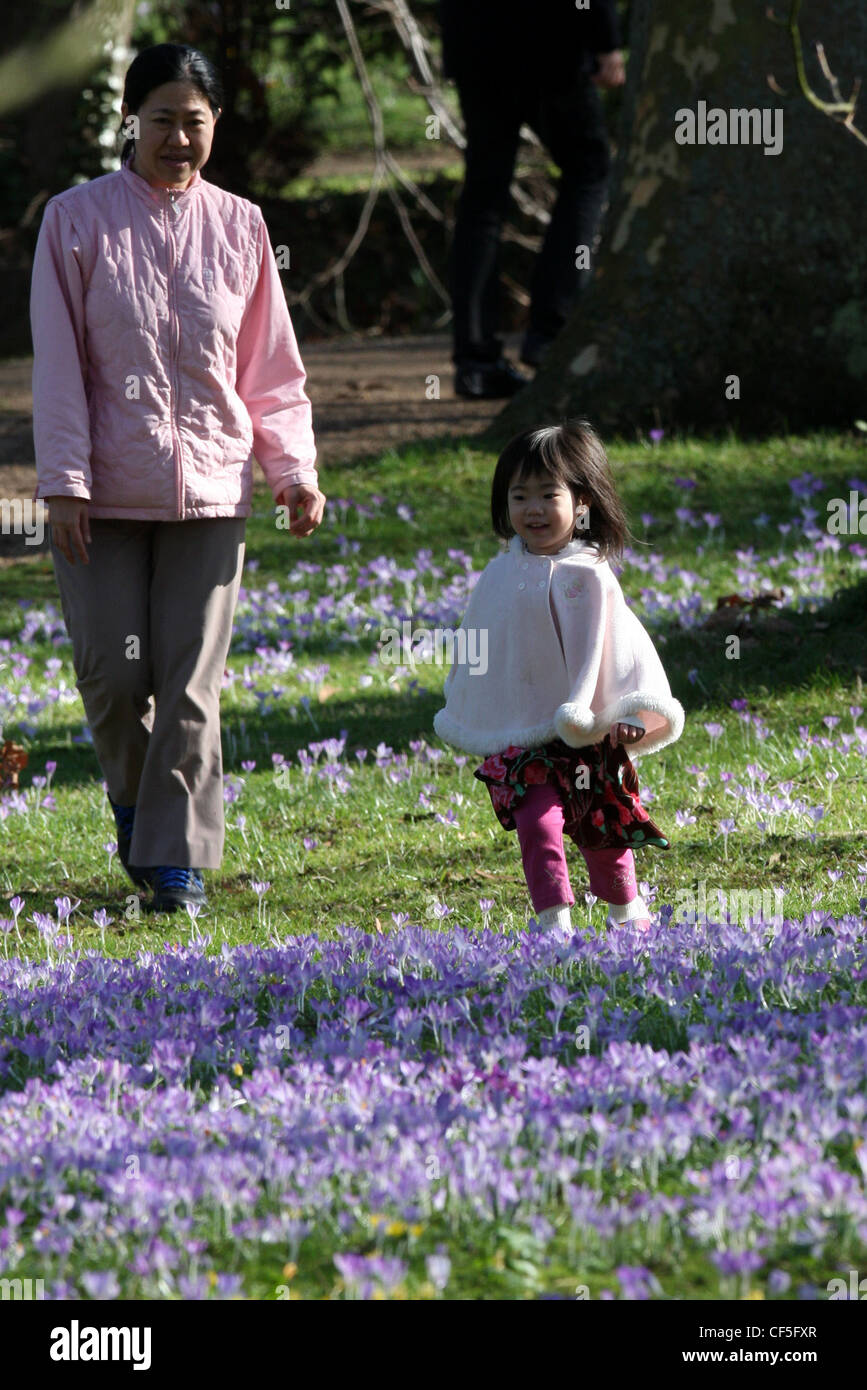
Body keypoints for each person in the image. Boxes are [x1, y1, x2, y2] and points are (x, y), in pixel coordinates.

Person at [30, 43, 325, 914]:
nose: (178, 139)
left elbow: (271, 368)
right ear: (131, 121)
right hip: (101, 496)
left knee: (191, 687)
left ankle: (176, 862)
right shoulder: (74, 221)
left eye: (194, 122)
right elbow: (60, 367)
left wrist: (292, 469)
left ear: (215, 127)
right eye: (161, 119)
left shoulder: (241, 226)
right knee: (116, 680)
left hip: (211, 492)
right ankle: (137, 811)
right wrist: (65, 483)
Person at [433, 420, 684, 933]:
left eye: (549, 494)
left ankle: (624, 911)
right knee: (537, 823)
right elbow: (482, 645)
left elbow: (621, 650)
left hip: (588, 733)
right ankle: (552, 920)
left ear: (583, 503)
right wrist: (479, 706)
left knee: (602, 831)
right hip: (525, 740)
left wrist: (629, 710)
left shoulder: (591, 576)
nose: (533, 509)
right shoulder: (500, 576)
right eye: (519, 495)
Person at [439, 0, 625, 399]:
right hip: (552, 40)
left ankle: (476, 362)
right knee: (589, 170)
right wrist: (606, 41)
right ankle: (551, 331)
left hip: (477, 41)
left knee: (483, 196)